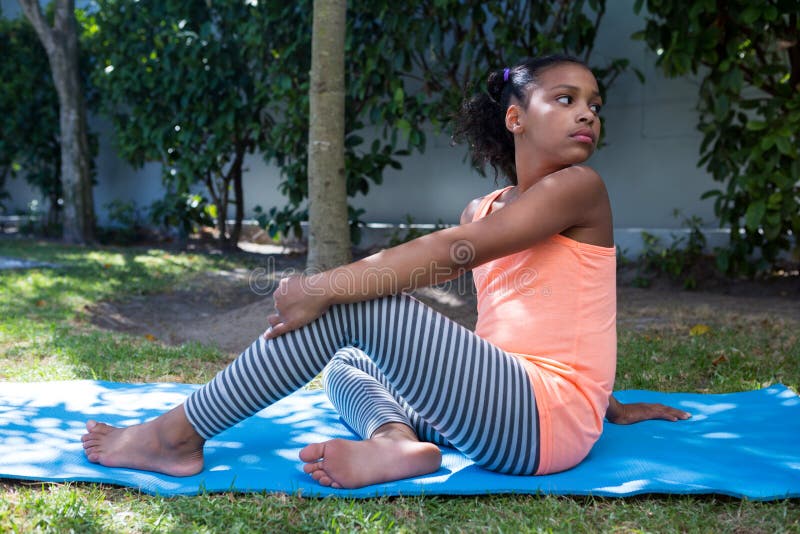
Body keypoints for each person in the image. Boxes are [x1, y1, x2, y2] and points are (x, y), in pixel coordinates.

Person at [82, 54, 690, 489]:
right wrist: (605, 403)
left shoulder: (579, 188)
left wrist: (323, 285)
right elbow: (535, 323)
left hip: (539, 424)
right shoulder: (486, 207)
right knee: (348, 361)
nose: (588, 114)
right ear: (515, 118)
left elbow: (459, 249)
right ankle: (396, 441)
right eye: (566, 99)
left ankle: (177, 434)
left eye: (594, 105)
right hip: (507, 409)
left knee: (359, 304)